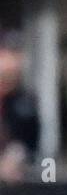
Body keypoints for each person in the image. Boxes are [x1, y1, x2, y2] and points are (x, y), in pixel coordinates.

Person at [0, 34, 40, 183]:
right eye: (6, 55)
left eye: (16, 56)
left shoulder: (26, 100)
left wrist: (17, 154)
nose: (12, 63)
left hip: (15, 181)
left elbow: (31, 143)